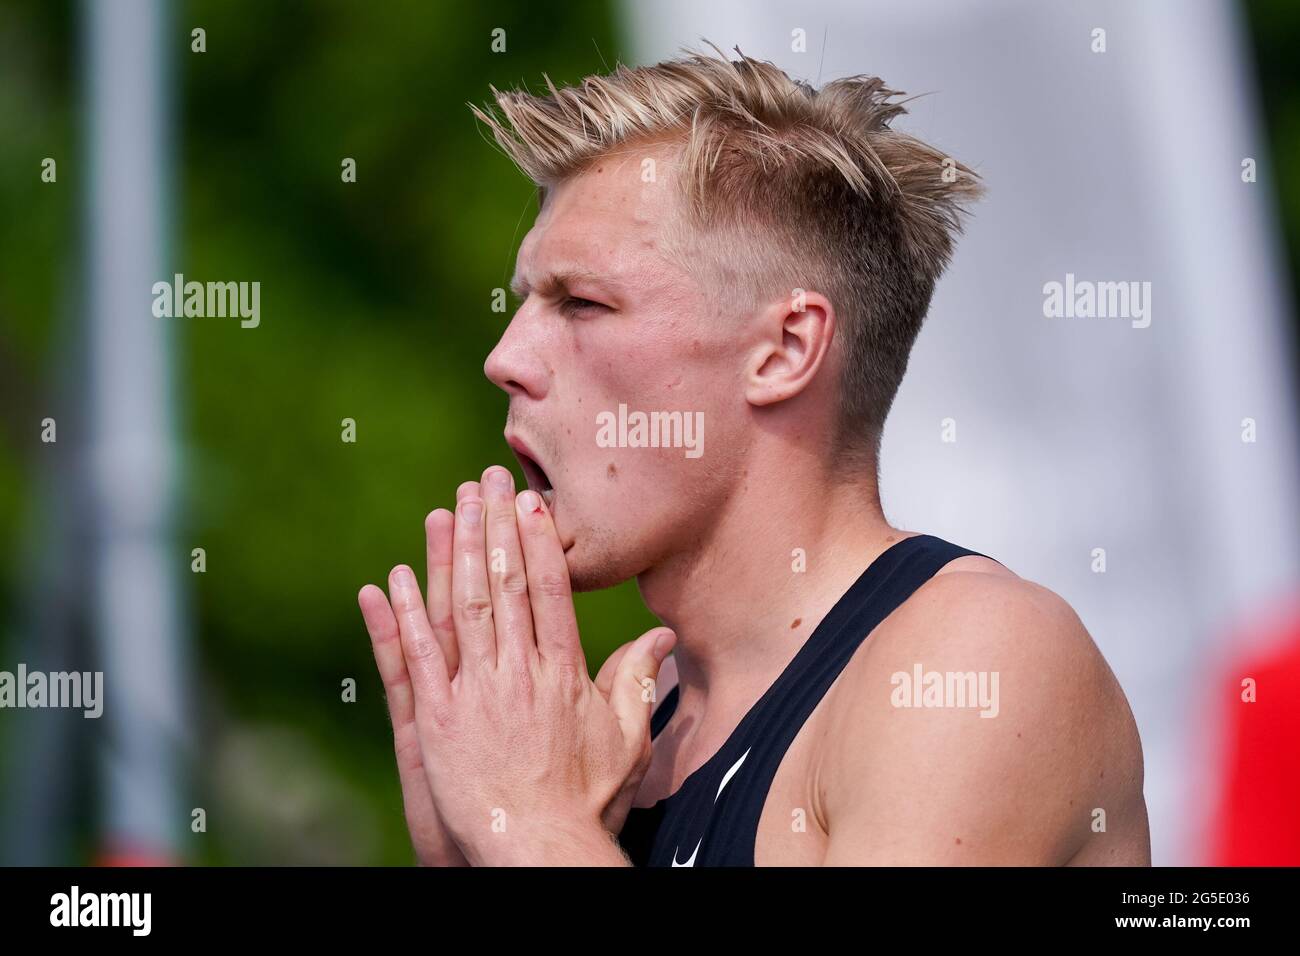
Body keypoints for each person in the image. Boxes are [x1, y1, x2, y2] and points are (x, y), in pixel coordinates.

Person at [357, 45, 1150, 866]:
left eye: (583, 303)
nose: (505, 358)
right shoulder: (635, 729)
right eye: (527, 303)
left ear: (783, 349)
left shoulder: (978, 659)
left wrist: (533, 827)